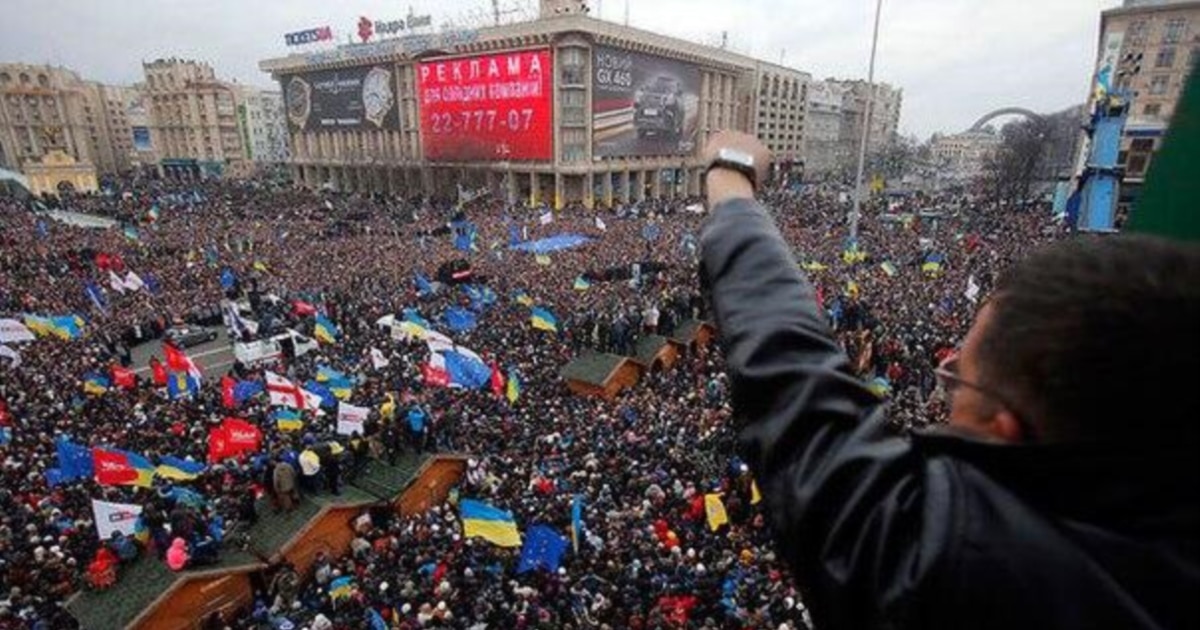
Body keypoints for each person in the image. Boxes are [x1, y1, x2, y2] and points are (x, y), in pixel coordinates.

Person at [698, 130, 1200, 630]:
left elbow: (789, 372)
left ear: (1007, 431)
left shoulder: (967, 574)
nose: (948, 381)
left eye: (960, 379)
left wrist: (731, 175)